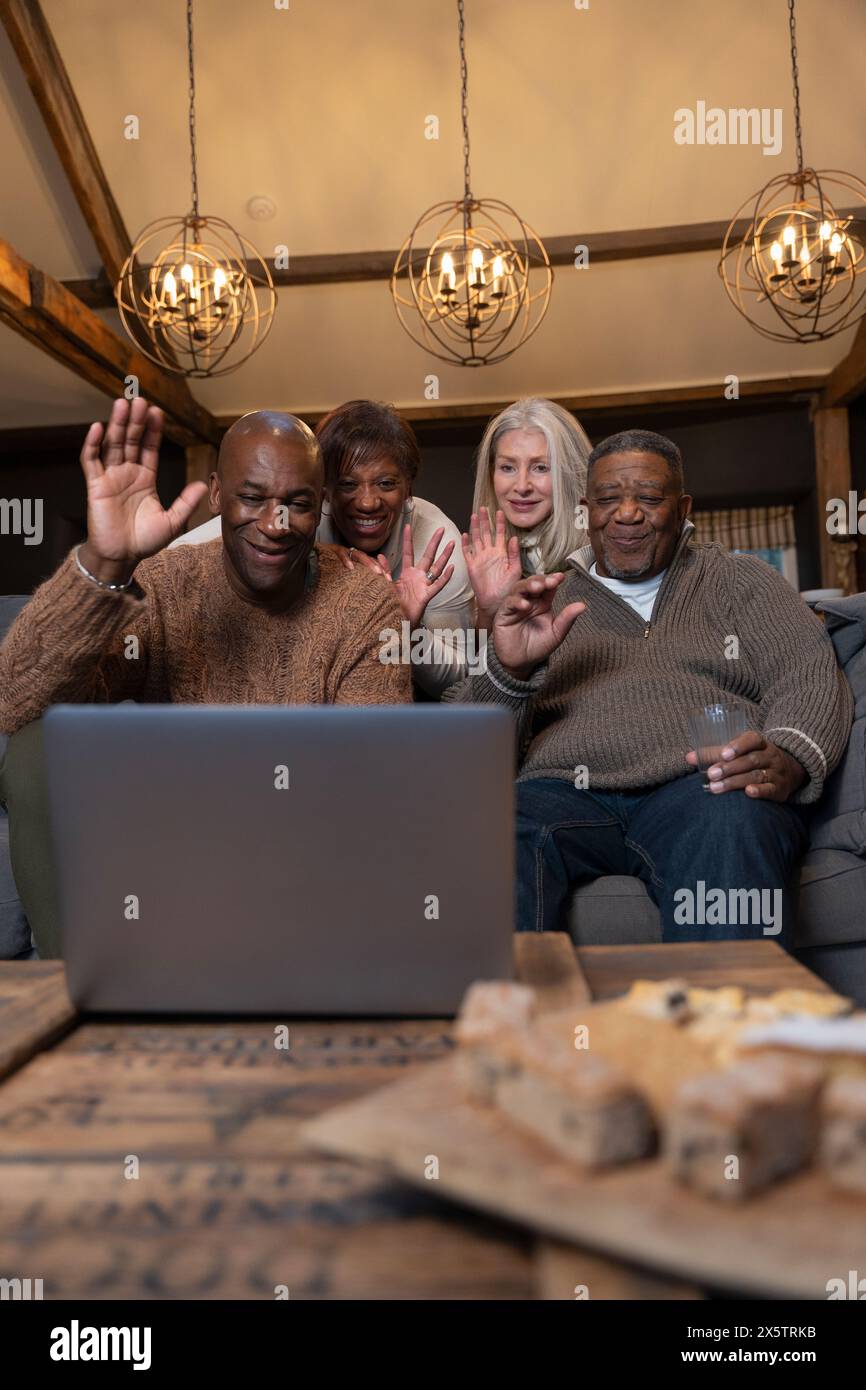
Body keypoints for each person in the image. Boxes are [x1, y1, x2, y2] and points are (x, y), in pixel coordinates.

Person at [0, 397, 410, 958]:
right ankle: (78, 996)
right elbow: (17, 701)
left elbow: (376, 783)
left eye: (298, 503)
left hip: (301, 863)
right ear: (217, 494)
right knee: (34, 750)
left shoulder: (363, 602)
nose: (276, 524)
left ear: (321, 508)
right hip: (167, 845)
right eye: (252, 498)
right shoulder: (164, 584)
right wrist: (104, 566)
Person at [445, 427, 853, 946]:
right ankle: (504, 1024)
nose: (628, 514)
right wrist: (511, 670)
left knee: (733, 815)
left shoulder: (740, 580)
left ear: (682, 508)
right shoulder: (543, 597)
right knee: (491, 827)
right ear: (586, 510)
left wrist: (792, 754)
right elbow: (470, 752)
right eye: (609, 499)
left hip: (705, 786)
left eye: (649, 498)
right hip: (564, 792)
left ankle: (718, 1025)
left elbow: (808, 670)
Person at [175, 400, 474, 696]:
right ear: (323, 491)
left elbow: (458, 681)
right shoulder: (291, 516)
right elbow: (187, 552)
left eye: (385, 483)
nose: (368, 502)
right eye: (347, 485)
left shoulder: (436, 541)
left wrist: (406, 630)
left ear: (408, 486)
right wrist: (314, 550)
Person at [460, 397, 591, 631]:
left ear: (568, 475)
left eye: (540, 467)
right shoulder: (477, 560)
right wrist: (489, 612)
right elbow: (477, 665)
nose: (522, 486)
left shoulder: (597, 557)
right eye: (507, 467)